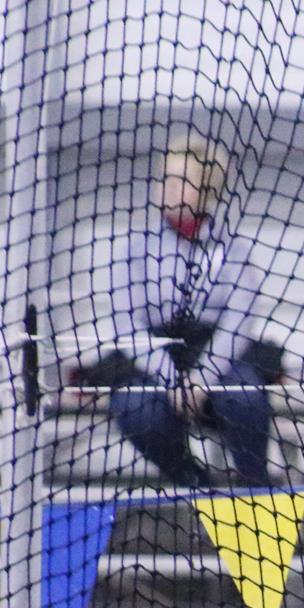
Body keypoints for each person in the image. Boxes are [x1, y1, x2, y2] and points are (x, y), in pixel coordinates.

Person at [98, 135, 275, 487]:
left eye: (180, 181)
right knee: (136, 410)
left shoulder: (232, 250)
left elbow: (239, 322)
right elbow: (128, 325)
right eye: (165, 178)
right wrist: (172, 379)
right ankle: (193, 485)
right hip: (156, 361)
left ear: (206, 190)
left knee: (247, 398)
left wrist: (200, 379)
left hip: (218, 362)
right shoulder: (135, 248)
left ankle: (256, 491)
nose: (167, 189)